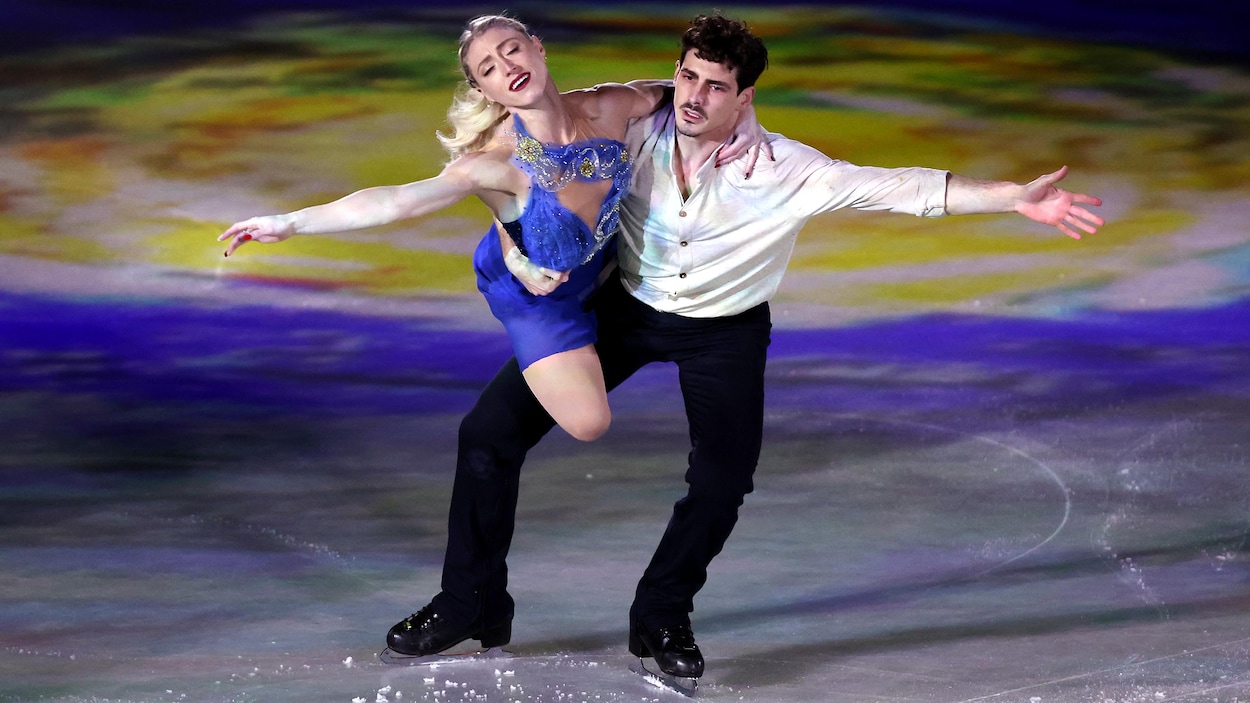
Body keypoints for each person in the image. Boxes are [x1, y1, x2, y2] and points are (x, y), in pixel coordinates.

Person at [396, 12, 1105, 681]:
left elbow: (901, 187)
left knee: (721, 481)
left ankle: (661, 614)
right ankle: (471, 602)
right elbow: (559, 131)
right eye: (689, 77)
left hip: (724, 331)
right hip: (626, 308)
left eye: (717, 87)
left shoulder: (786, 170)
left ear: (745, 97)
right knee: (487, 433)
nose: (696, 98)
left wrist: (1014, 196)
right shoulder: (638, 130)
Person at [217, 15, 759, 443]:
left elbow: (685, 91)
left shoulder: (610, 105)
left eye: (511, 50)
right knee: (589, 422)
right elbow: (397, 202)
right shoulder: (494, 163)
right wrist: (289, 222)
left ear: (537, 48)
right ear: (486, 90)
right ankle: (514, 250)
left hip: (599, 252)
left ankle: (547, 254)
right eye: (488, 68)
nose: (506, 67)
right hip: (534, 290)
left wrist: (743, 115)